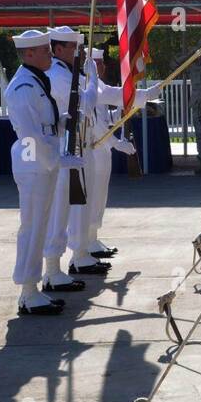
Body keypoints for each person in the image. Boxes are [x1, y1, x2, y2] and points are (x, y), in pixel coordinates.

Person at [42, 26, 157, 292]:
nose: (78, 53)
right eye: (73, 48)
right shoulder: (58, 76)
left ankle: (80, 255)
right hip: (66, 150)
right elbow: (88, 100)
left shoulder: (74, 74)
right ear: (59, 49)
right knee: (62, 212)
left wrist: (144, 96)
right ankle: (53, 269)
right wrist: (91, 80)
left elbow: (110, 94)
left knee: (82, 208)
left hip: (80, 150)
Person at [4, 30, 81, 316]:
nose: (50, 54)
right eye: (45, 51)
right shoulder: (23, 87)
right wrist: (58, 160)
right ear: (29, 54)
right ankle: (27, 291)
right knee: (33, 227)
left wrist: (62, 121)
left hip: (41, 162)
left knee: (40, 225)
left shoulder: (36, 81)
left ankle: (33, 288)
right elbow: (29, 135)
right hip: (33, 163)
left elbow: (43, 125)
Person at [67, 47, 135, 263]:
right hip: (94, 150)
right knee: (92, 198)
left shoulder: (99, 86)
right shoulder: (86, 87)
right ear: (90, 65)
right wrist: (117, 143)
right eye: (99, 63)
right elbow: (94, 127)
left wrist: (122, 113)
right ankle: (84, 244)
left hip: (102, 152)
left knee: (100, 198)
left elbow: (104, 118)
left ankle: (92, 239)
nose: (103, 66)